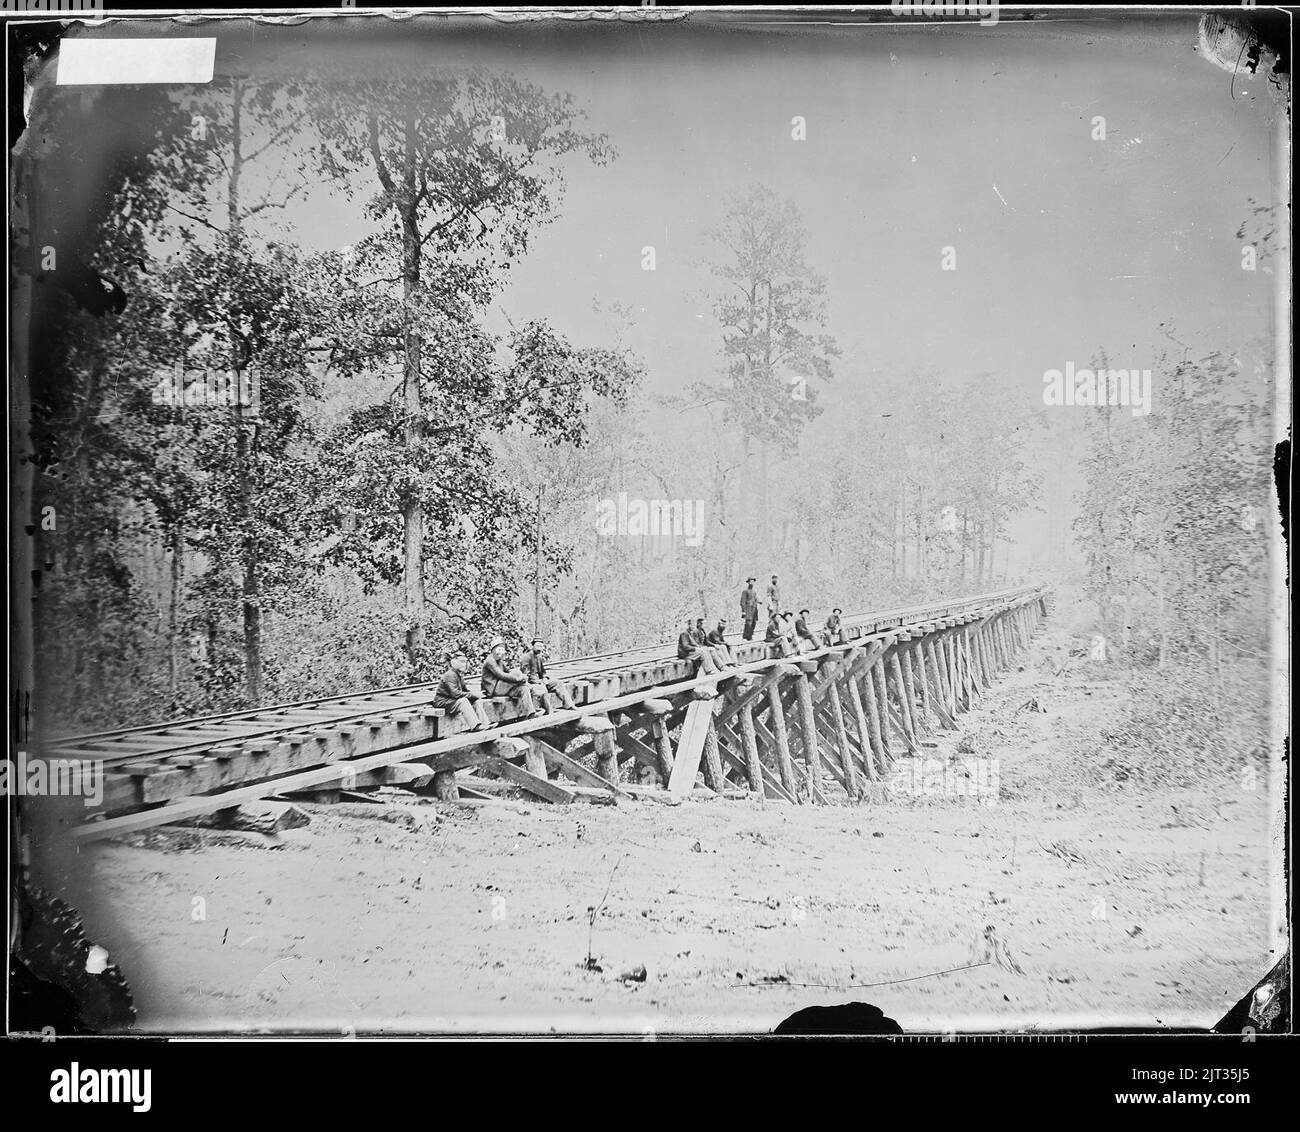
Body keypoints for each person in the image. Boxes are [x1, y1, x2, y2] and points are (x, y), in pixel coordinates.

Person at [433, 650, 489, 731]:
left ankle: (485, 723)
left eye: (465, 662)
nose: (464, 664)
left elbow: (465, 690)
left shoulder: (459, 675)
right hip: (443, 702)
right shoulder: (450, 675)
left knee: (475, 701)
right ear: (453, 663)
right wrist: (473, 695)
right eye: (461, 662)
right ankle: (475, 726)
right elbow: (455, 694)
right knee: (463, 701)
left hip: (451, 701)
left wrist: (475, 696)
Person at [482, 637, 539, 716]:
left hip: (503, 688)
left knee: (523, 689)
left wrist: (520, 675)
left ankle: (531, 713)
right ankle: (529, 687)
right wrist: (517, 679)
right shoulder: (490, 661)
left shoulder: (499, 661)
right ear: (493, 650)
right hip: (494, 689)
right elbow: (501, 675)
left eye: (502, 650)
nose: (501, 652)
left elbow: (508, 671)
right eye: (498, 650)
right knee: (519, 679)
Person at [522, 637, 575, 713]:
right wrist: (539, 682)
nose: (539, 649)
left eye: (541, 647)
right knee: (543, 690)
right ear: (532, 646)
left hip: (540, 682)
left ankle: (569, 705)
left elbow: (542, 671)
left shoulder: (539, 657)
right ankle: (549, 712)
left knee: (558, 683)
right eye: (537, 646)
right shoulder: (526, 658)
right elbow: (525, 675)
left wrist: (544, 678)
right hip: (532, 684)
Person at [740, 577, 760, 641]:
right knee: (748, 623)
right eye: (750, 581)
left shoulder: (754, 591)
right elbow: (742, 601)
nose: (752, 583)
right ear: (748, 582)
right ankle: (745, 637)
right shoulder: (745, 591)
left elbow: (755, 599)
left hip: (754, 608)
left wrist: (759, 601)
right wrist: (743, 610)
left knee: (754, 622)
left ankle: (750, 636)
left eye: (753, 582)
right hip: (748, 608)